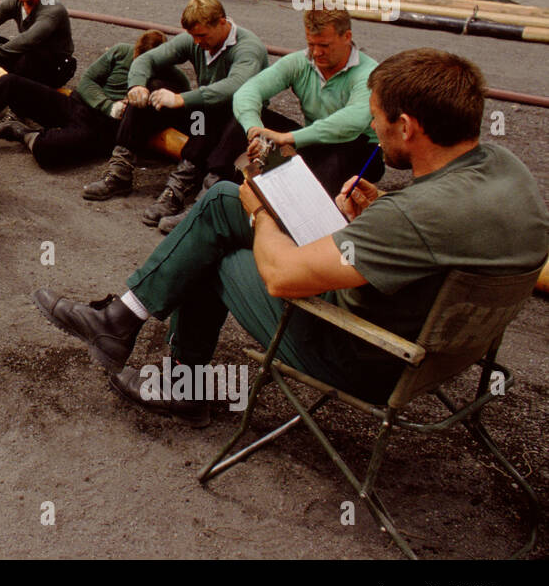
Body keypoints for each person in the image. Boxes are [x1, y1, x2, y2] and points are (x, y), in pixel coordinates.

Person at [34, 48, 549, 426]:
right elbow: (432, 237)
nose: (374, 131)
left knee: (216, 238)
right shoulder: (505, 171)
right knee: (219, 204)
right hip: (442, 352)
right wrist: (379, 211)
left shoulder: (420, 214)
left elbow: (281, 278)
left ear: (408, 126)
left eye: (376, 122)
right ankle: (121, 321)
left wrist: (260, 213)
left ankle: (170, 371)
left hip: (362, 354)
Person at [81, 0, 268, 230]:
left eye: (202, 36)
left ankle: (200, 199)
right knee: (153, 88)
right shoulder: (197, 39)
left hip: (238, 121)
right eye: (193, 36)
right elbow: (147, 59)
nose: (197, 42)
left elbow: (233, 88)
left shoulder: (248, 48)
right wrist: (137, 85)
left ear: (222, 23)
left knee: (232, 113)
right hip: (206, 114)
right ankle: (120, 171)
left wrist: (180, 99)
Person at [215, 6, 381, 201]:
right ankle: (216, 190)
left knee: (339, 155)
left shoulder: (369, 72)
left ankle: (308, 213)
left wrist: (287, 138)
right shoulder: (301, 61)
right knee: (241, 117)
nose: (317, 53)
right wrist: (255, 131)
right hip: (313, 142)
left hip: (360, 149)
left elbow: (351, 123)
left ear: (347, 36)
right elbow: (248, 92)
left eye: (325, 45)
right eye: (311, 44)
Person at [0, 30, 188, 170]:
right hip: (78, 105)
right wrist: (109, 105)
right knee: (10, 82)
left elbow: (182, 107)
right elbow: (87, 81)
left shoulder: (172, 78)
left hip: (99, 130)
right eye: (139, 60)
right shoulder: (121, 52)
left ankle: (20, 132)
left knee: (49, 151)